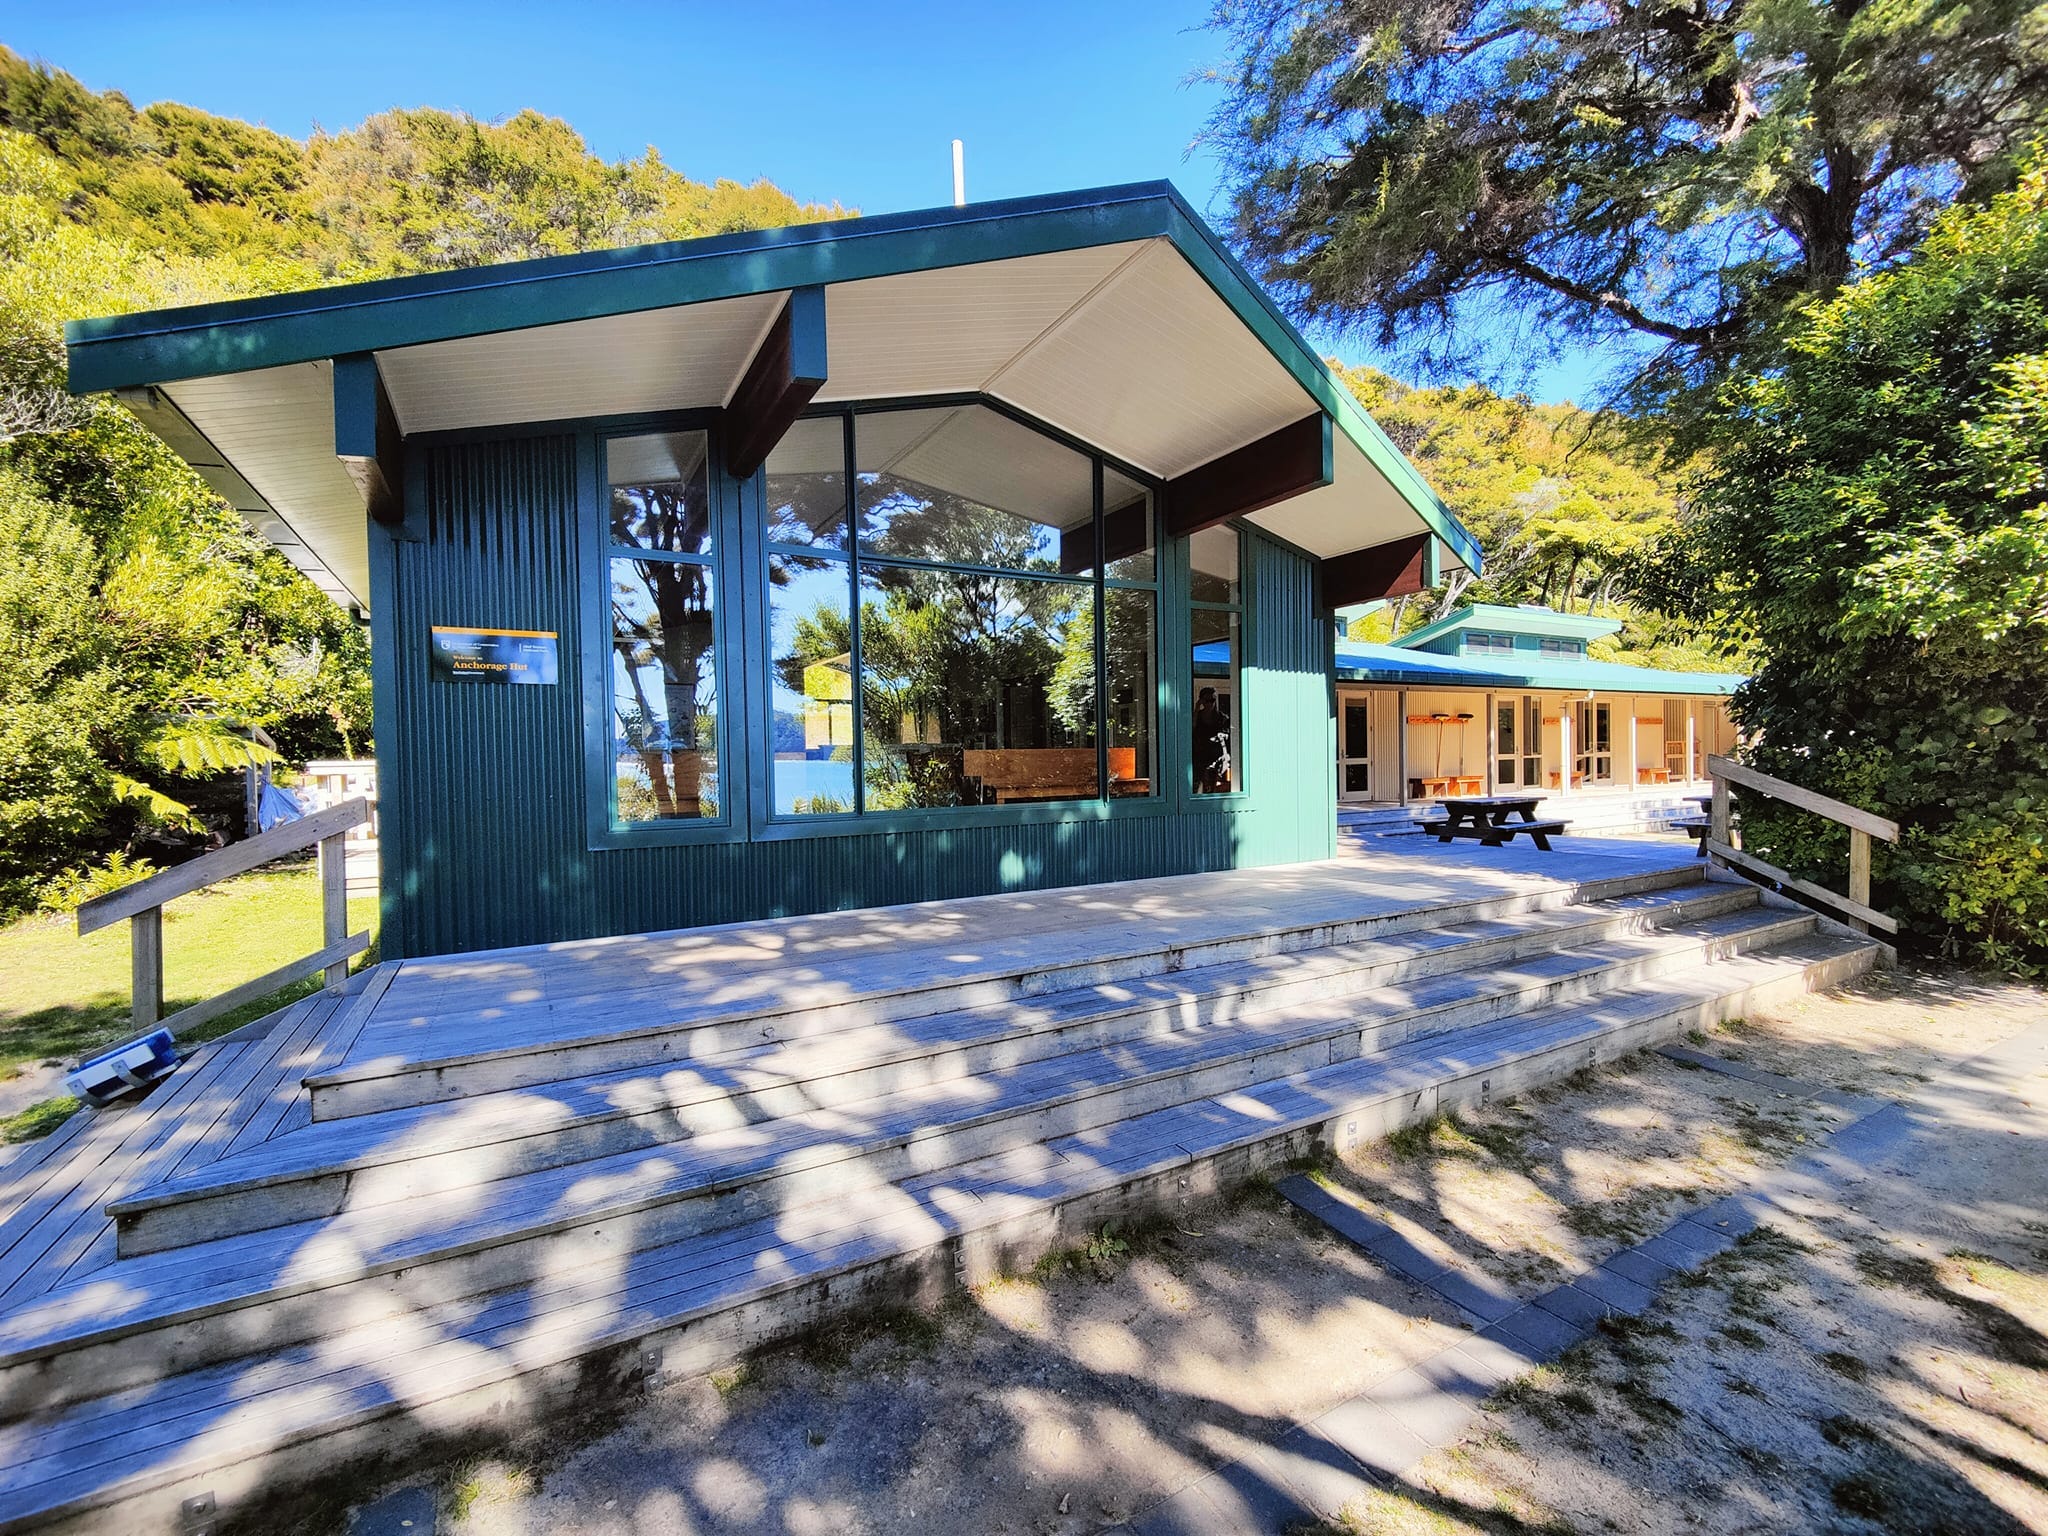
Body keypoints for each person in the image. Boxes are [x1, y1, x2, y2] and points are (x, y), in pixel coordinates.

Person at [1194, 686, 1232, 793]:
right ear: (1201, 701)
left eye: (1213, 700)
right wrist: (1196, 709)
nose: (1210, 704)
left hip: (1216, 760)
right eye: (1207, 701)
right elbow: (1190, 729)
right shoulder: (1197, 717)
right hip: (1199, 760)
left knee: (1214, 789)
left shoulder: (1222, 718)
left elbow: (1228, 738)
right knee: (1196, 789)